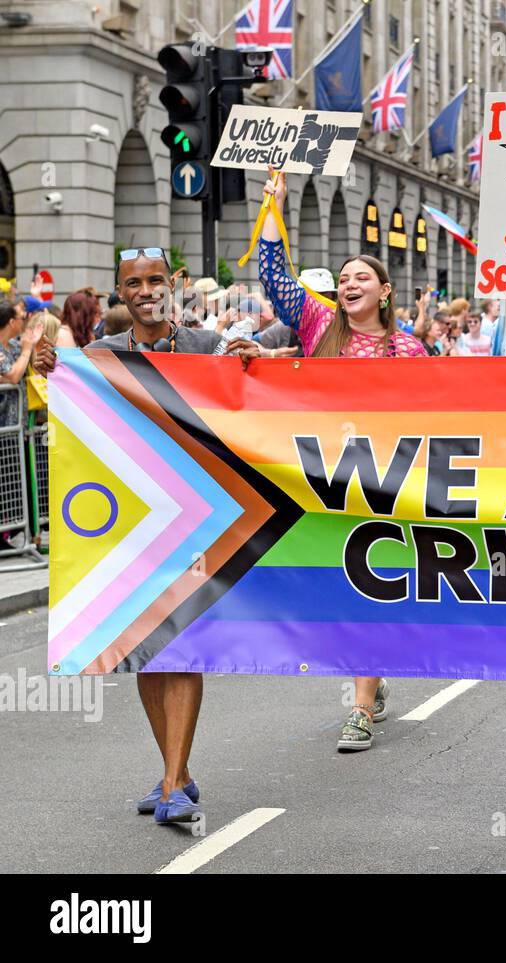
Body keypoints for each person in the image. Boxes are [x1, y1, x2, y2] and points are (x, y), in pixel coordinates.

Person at [30, 246, 260, 826]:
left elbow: (254, 400)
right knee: (146, 654)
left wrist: (256, 362)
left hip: (201, 522)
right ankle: (173, 775)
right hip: (132, 530)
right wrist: (45, 364)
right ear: (121, 292)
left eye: (156, 279)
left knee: (182, 648)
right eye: (133, 283)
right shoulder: (100, 356)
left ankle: (173, 781)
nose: (146, 290)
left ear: (173, 284)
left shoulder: (208, 348)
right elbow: (64, 395)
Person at [257, 169, 426, 752]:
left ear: (384, 292)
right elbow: (275, 279)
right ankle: (369, 678)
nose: (350, 283)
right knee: (336, 592)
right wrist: (274, 208)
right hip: (324, 480)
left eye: (362, 277)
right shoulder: (317, 325)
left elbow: (439, 413)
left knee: (369, 587)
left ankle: (358, 708)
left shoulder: (409, 349)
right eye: (344, 278)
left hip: (385, 483)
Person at [0, 300, 43, 426]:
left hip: (21, 422)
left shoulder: (14, 345)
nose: (25, 321)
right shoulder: (21, 348)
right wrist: (26, 350)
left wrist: (33, 345)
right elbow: (14, 376)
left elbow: (34, 371)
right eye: (23, 318)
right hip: (4, 425)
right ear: (12, 322)